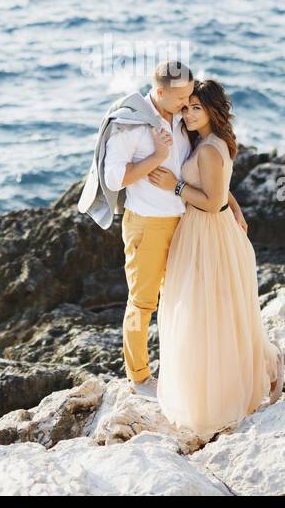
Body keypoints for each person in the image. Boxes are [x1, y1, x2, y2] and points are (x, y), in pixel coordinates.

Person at [78, 60, 248, 397]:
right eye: (181, 97)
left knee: (183, 300)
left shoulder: (183, 121)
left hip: (187, 223)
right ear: (159, 92)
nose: (187, 104)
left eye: (190, 97)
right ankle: (139, 378)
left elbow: (200, 172)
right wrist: (156, 157)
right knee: (143, 304)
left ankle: (182, 370)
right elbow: (113, 178)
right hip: (148, 224)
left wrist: (233, 207)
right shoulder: (132, 125)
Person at [149, 78, 285, 438]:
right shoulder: (209, 142)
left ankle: (245, 378)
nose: (189, 114)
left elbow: (210, 199)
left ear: (212, 111)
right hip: (208, 228)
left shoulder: (209, 148)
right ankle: (231, 379)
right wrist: (235, 207)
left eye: (197, 108)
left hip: (208, 232)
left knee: (203, 312)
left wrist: (173, 186)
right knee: (210, 312)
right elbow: (221, 191)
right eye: (187, 107)